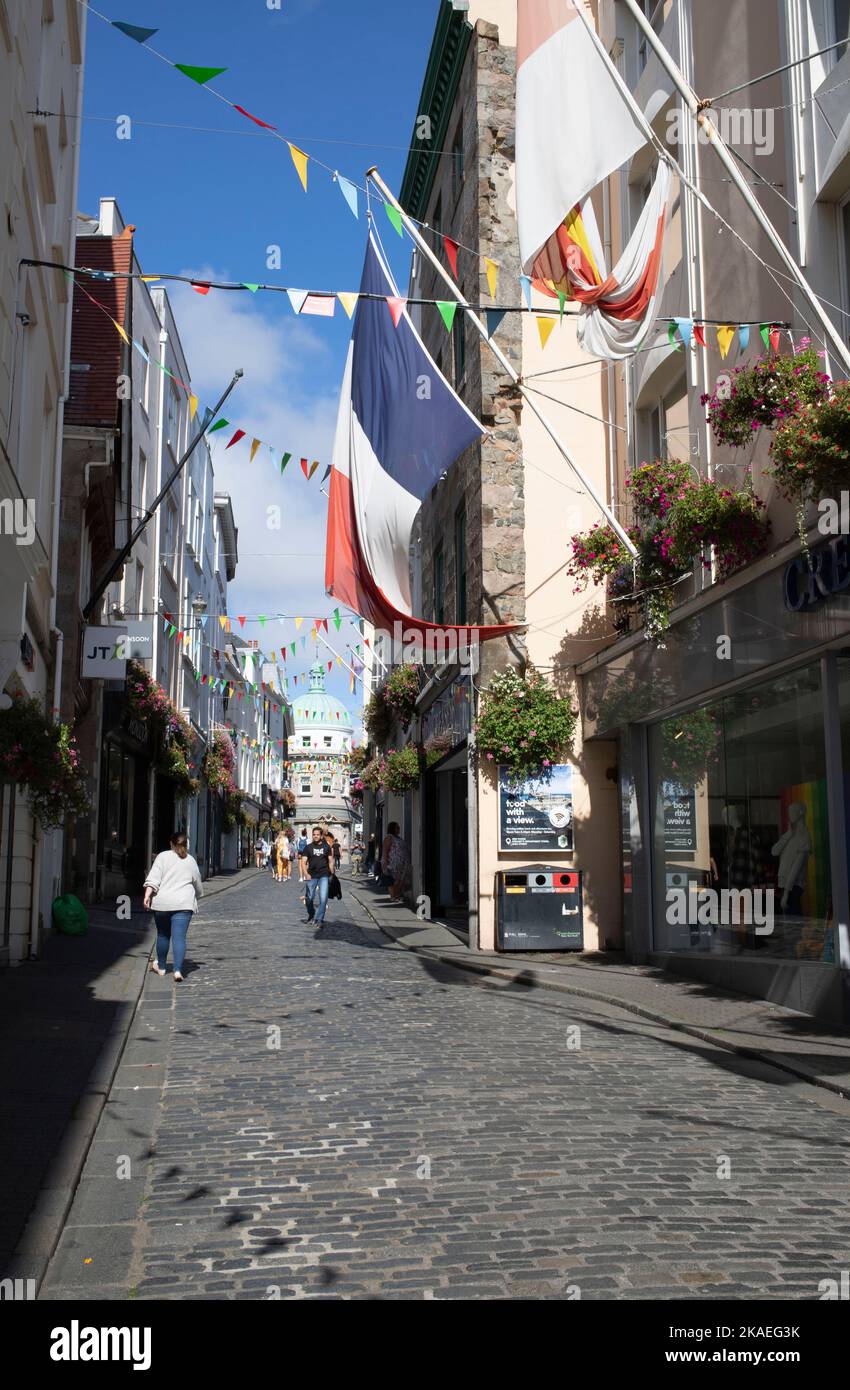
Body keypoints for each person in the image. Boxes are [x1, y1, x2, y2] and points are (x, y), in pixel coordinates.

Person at [143, 831, 203, 982]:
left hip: (162, 904)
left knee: (163, 935)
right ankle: (177, 970)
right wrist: (198, 895)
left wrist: (147, 896)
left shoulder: (162, 857)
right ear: (185, 845)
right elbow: (198, 883)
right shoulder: (190, 861)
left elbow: (153, 879)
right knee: (179, 938)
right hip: (183, 904)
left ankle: (162, 967)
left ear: (171, 844)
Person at [301, 826, 332, 928]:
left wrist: (332, 874)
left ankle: (320, 919)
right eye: (314, 835)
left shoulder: (326, 847)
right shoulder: (308, 847)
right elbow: (303, 862)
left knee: (323, 898)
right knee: (309, 898)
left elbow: (331, 861)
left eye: (317, 835)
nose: (315, 836)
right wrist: (306, 873)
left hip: (324, 874)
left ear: (321, 835)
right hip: (312, 875)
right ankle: (311, 913)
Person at [381, 822, 411, 903]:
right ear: (392, 828)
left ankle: (397, 895)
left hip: (401, 864)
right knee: (393, 880)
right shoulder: (389, 837)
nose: (399, 829)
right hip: (392, 863)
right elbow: (385, 851)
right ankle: (393, 896)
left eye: (398, 827)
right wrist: (385, 863)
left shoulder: (399, 838)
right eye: (397, 827)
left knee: (400, 880)